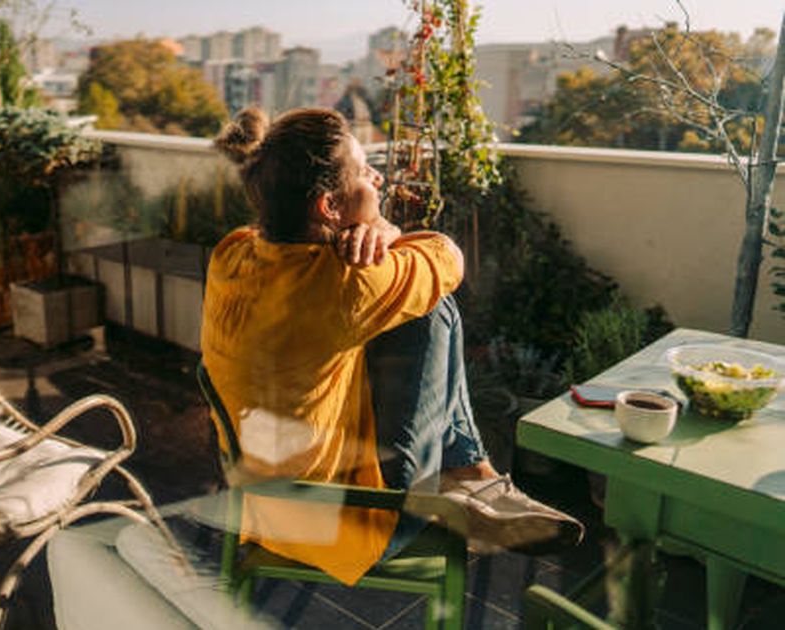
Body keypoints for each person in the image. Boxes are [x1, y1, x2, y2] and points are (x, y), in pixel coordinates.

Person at [200, 107, 583, 586]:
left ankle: (472, 477)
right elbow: (449, 259)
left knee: (397, 314)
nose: (378, 179)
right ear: (328, 206)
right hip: (345, 525)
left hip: (261, 509)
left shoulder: (231, 254)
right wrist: (384, 229)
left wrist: (368, 228)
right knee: (433, 308)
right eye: (365, 172)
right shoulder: (346, 286)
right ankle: (470, 477)